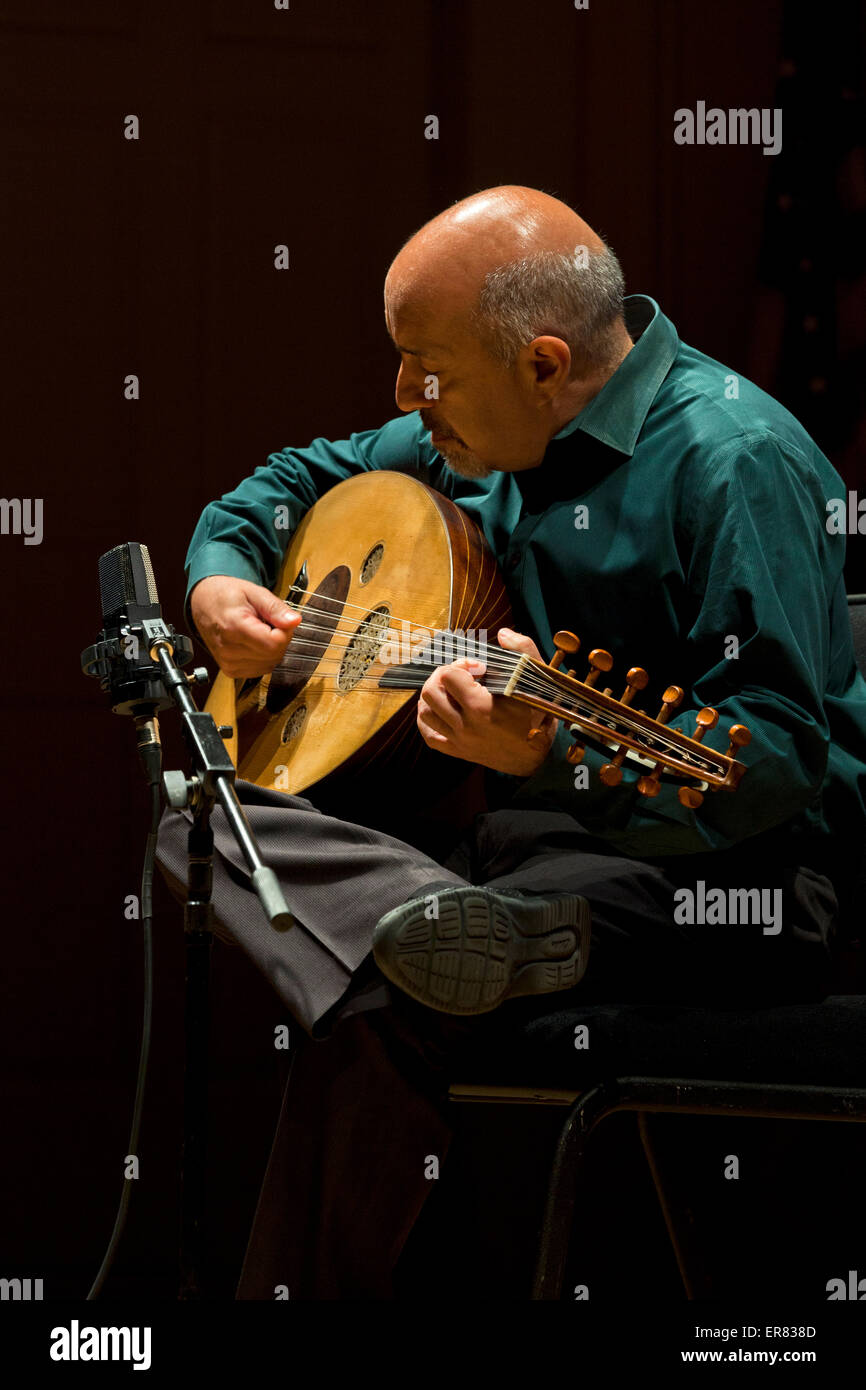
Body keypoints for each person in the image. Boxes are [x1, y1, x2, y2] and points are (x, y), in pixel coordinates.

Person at [156, 185, 866, 1298]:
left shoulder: (734, 462)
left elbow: (771, 760)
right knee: (204, 811)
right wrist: (219, 576)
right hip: (516, 862)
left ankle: (449, 930)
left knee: (375, 1004)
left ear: (542, 364)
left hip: (737, 884)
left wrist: (550, 758)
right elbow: (294, 478)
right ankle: (443, 921)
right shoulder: (476, 432)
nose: (401, 396)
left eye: (421, 367)